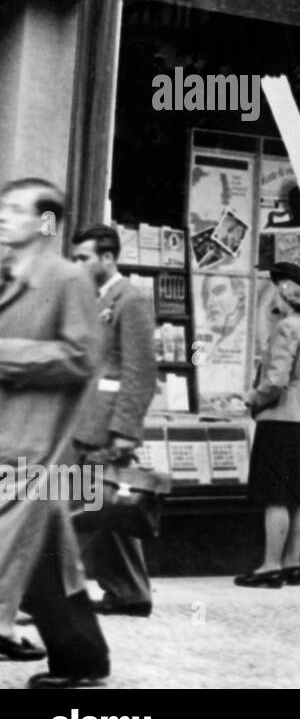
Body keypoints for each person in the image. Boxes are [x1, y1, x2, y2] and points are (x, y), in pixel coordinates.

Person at [0, 178, 111, 687]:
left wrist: (10, 356)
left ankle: (81, 659)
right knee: (42, 554)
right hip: (11, 442)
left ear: (45, 222)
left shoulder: (67, 279)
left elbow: (84, 356)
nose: (4, 216)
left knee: (30, 546)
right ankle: (81, 658)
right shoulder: (9, 276)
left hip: (35, 445)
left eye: (18, 209)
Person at [69, 224, 158, 616]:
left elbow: (140, 372)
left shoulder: (131, 299)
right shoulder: (92, 297)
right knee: (108, 511)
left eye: (83, 258)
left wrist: (125, 431)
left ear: (108, 258)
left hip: (105, 427)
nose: (77, 265)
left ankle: (52, 593)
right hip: (85, 422)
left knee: (78, 510)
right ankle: (132, 592)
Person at [235, 261, 300, 588]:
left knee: (275, 496)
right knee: (298, 497)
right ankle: (292, 564)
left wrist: (252, 398)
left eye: (276, 288)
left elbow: (275, 380)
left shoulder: (285, 328)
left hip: (278, 419)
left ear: (285, 291)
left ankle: (270, 566)